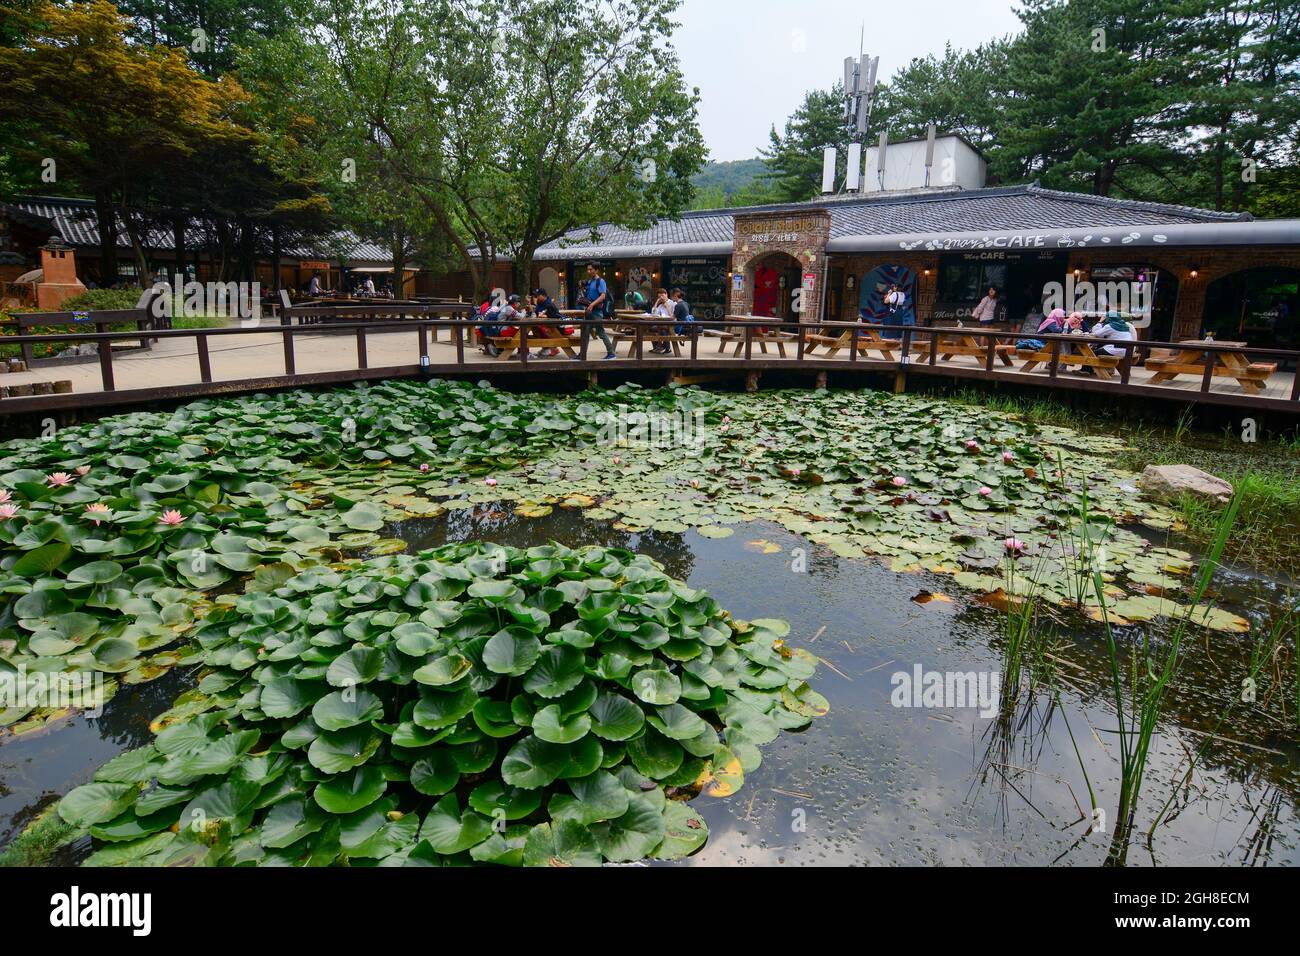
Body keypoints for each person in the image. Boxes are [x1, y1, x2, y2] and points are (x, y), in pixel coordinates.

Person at [583, 263, 617, 359]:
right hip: (589, 310)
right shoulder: (590, 282)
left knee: (601, 332)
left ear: (596, 270)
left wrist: (592, 304)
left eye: (591, 269)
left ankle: (611, 353)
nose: (588, 271)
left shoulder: (600, 281)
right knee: (585, 333)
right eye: (588, 269)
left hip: (597, 311)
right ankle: (582, 354)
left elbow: (603, 296)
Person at [530, 288, 565, 357]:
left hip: (556, 327)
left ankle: (553, 348)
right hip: (545, 324)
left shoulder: (549, 304)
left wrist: (544, 316)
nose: (536, 297)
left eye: (537, 296)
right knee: (534, 327)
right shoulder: (540, 302)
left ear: (543, 296)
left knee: (542, 328)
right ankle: (546, 347)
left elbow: (555, 317)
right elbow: (537, 313)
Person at [649, 288, 674, 353]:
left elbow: (673, 317)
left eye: (662, 296)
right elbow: (653, 313)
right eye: (659, 297)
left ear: (666, 295)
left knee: (663, 330)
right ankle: (657, 347)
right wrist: (657, 302)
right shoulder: (660, 305)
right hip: (660, 323)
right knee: (651, 328)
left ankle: (667, 348)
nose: (661, 298)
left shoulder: (672, 303)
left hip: (670, 324)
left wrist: (667, 307)